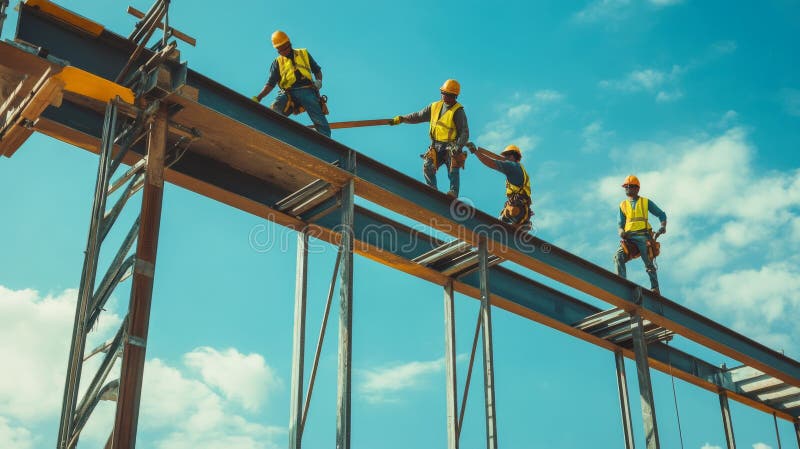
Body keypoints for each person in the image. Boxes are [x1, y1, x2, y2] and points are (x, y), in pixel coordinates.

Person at [388, 79, 469, 197]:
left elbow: (465, 132)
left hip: (451, 147)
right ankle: (432, 190)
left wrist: (458, 146)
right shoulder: (434, 107)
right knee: (428, 165)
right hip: (436, 145)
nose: (445, 96)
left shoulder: (458, 111)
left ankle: (453, 192)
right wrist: (402, 119)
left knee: (453, 168)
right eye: (444, 93)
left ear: (455, 96)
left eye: (449, 95)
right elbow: (418, 116)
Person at [252, 30, 331, 137]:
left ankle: (325, 138)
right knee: (275, 109)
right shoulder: (277, 62)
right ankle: (266, 131)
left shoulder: (303, 53)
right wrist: (259, 97)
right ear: (277, 50)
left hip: (306, 90)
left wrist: (319, 82)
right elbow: (270, 84)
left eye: (286, 47)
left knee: (318, 116)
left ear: (289, 44)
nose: (284, 51)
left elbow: (317, 71)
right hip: (288, 93)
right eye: (281, 50)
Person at [614, 175, 667, 294]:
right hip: (629, 237)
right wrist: (621, 232)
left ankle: (655, 288)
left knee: (648, 262)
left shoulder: (645, 202)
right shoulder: (623, 205)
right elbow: (620, 224)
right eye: (626, 187)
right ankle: (620, 283)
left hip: (643, 236)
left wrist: (662, 226)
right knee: (618, 256)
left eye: (630, 186)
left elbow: (661, 214)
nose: (627, 188)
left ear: (637, 188)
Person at [467, 143, 532, 230]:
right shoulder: (519, 168)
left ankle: (502, 230)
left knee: (498, 225)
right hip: (523, 209)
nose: (504, 158)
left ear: (512, 156)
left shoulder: (511, 166)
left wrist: (475, 152)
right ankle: (522, 225)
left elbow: (491, 163)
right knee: (504, 220)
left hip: (517, 208)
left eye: (506, 156)